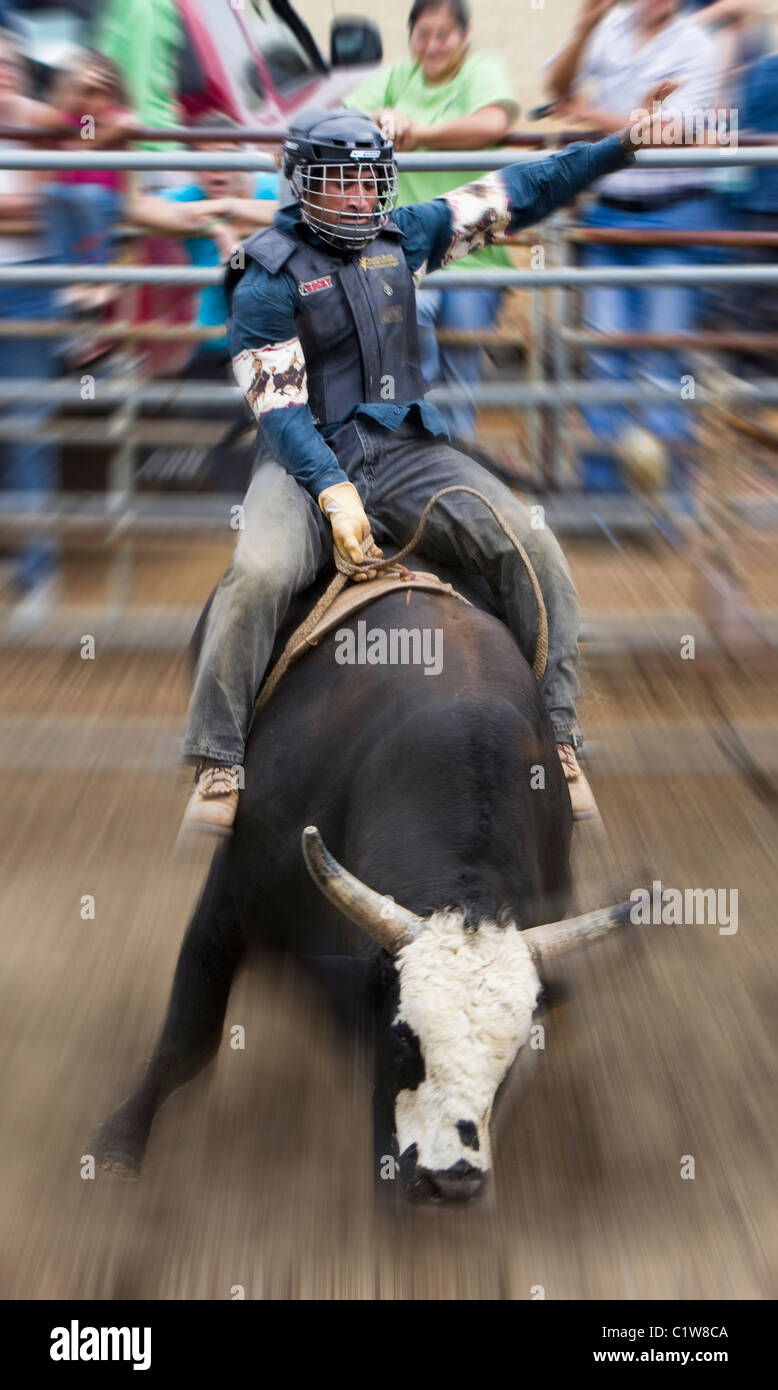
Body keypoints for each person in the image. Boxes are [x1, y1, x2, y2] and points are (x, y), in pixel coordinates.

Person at [178, 102, 684, 838]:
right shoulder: (264, 279)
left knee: (535, 549)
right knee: (258, 571)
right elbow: (280, 410)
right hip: (302, 462)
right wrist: (331, 489)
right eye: (337, 183)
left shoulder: (404, 235)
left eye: (368, 181)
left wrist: (621, 147)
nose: (358, 197)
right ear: (301, 185)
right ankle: (218, 759)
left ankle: (560, 742)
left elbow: (521, 188)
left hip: (414, 452)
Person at [546, 0, 722, 495]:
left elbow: (670, 134)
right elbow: (556, 89)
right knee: (604, 353)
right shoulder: (606, 28)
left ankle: (666, 501)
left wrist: (590, 114)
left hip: (675, 216)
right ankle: (605, 497)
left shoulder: (695, 44)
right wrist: (582, 29)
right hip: (611, 215)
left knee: (663, 355)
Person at [344, 0, 519, 439]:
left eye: (444, 34)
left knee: (461, 366)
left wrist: (418, 134)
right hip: (412, 252)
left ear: (465, 34)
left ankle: (456, 458)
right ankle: (420, 436)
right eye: (423, 35)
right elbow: (341, 120)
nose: (433, 45)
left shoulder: (481, 71)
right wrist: (380, 118)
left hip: (472, 251)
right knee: (407, 317)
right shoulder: (398, 77)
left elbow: (492, 123)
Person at [128, 113, 278, 377]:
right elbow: (137, 208)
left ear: (242, 160)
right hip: (216, 343)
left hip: (276, 344)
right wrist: (214, 227)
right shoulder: (192, 196)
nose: (216, 168)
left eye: (226, 156)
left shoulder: (270, 188)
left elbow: (301, 213)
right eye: (205, 160)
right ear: (194, 168)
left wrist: (226, 207)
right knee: (195, 408)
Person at [0, 27, 61, 617]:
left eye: (8, 63)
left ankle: (39, 569)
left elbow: (30, 202)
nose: (2, 73)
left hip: (27, 289)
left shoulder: (39, 119)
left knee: (28, 426)